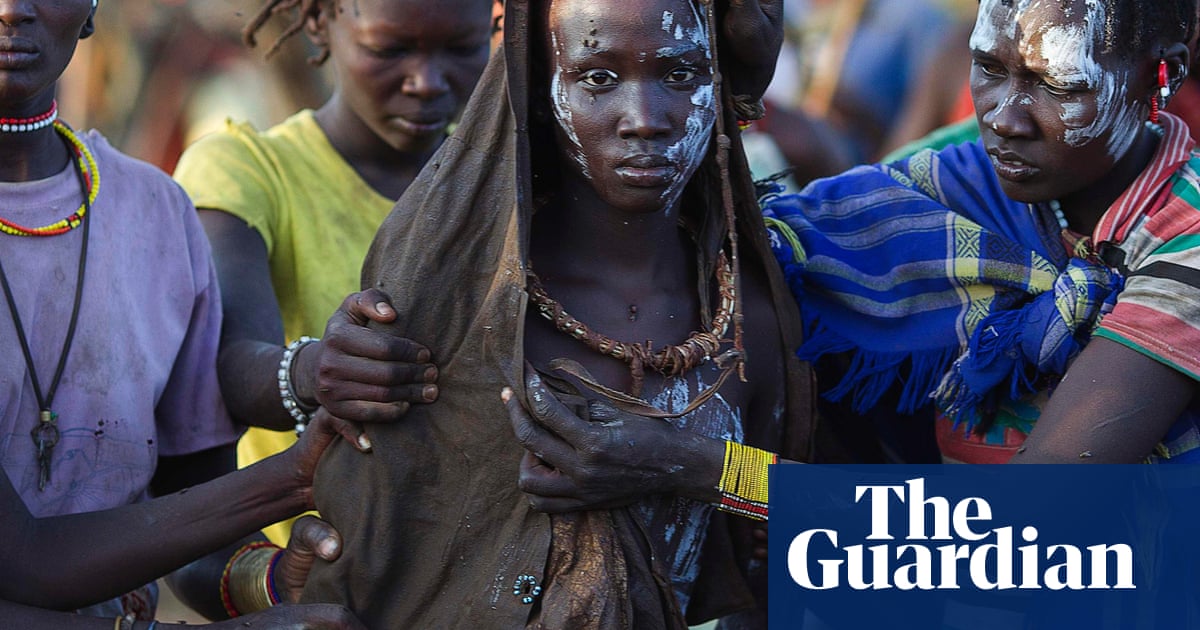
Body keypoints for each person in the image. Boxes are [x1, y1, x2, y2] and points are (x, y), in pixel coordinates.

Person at [299, 0, 824, 627]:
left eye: (682, 75)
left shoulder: (748, 314)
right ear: (539, 89)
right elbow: (392, 559)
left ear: (720, 88)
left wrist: (683, 463)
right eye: (598, 78)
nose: (645, 119)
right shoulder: (460, 307)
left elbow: (805, 535)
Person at [763, 0, 1199, 465]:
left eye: (1059, 85)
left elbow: (1037, 511)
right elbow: (749, 250)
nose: (1003, 119)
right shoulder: (946, 187)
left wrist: (718, 472)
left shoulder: (1187, 236)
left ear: (1165, 74)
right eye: (989, 68)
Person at [171, 0, 494, 548]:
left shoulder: (505, 182)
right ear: (320, 21)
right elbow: (227, 361)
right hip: (315, 562)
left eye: (462, 50)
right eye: (389, 50)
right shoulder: (248, 170)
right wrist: (313, 369)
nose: (427, 82)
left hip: (483, 552)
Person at [0, 409, 369, 629]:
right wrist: (296, 482)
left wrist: (272, 580)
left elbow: (186, 484)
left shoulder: (172, 276)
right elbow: (24, 564)